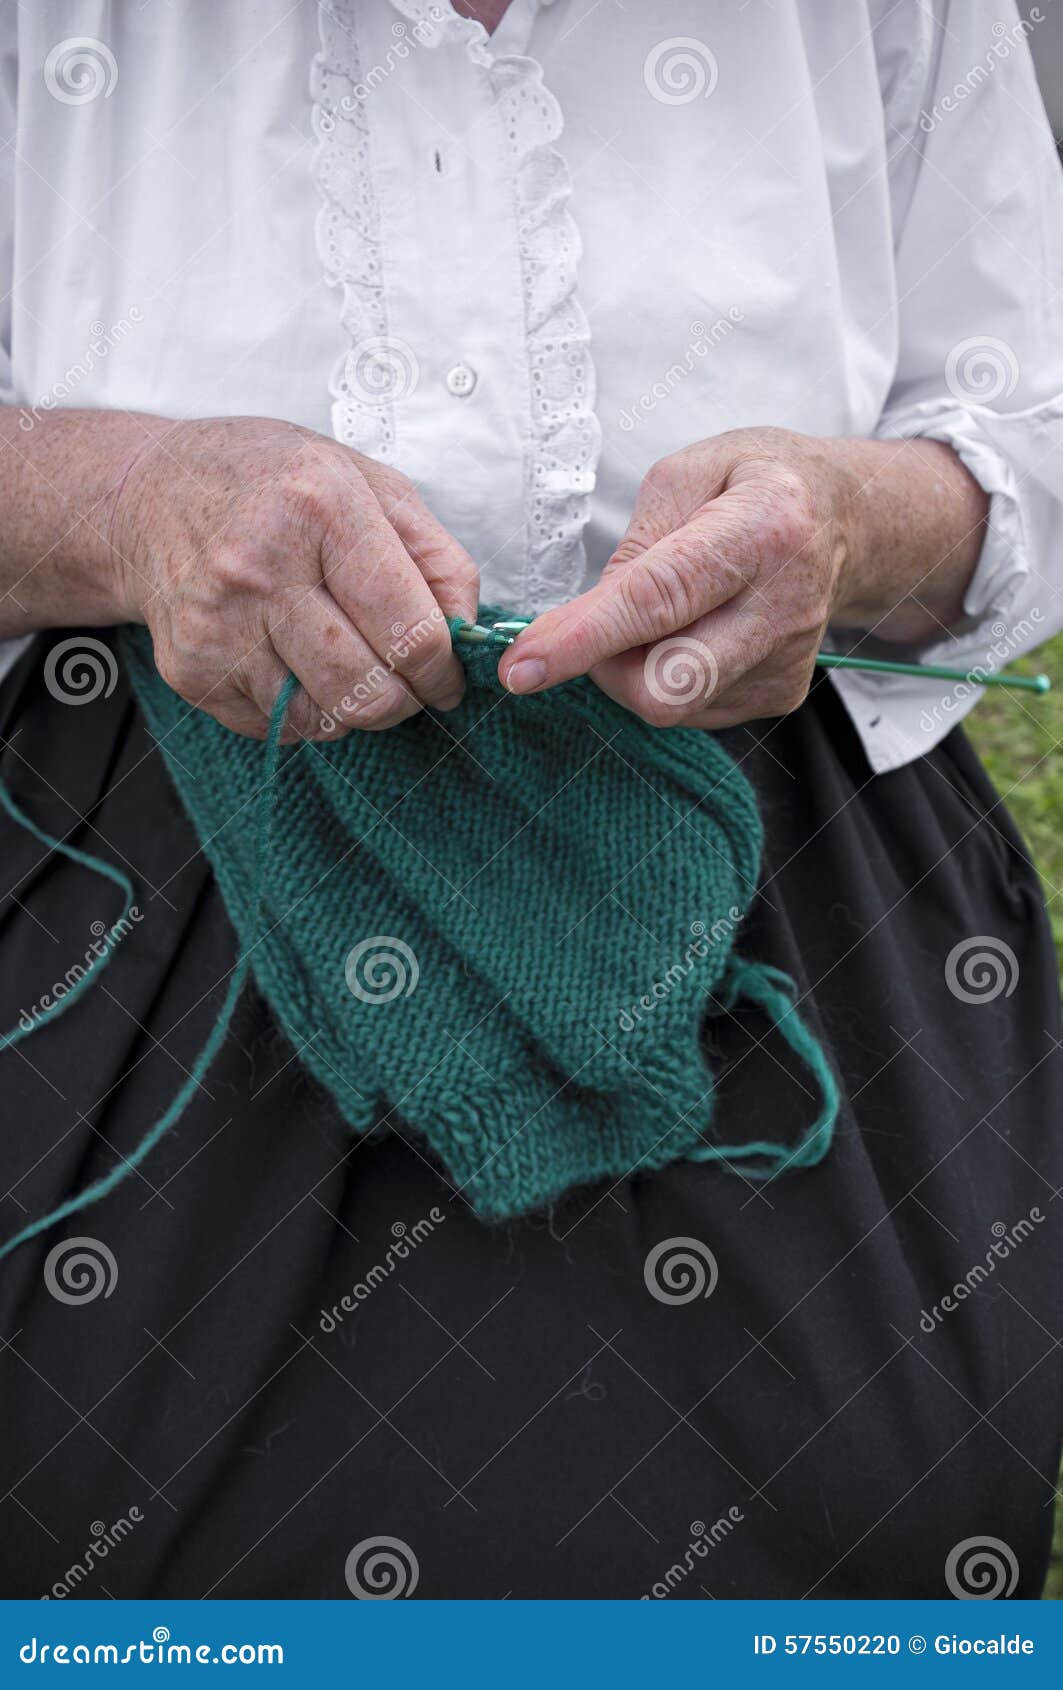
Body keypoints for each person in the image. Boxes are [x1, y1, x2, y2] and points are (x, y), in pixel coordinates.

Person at [1, 0, 1062, 1600]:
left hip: (768, 862)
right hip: (171, 881)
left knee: (856, 1564)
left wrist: (856, 521)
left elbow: (1025, 419)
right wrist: (125, 503)